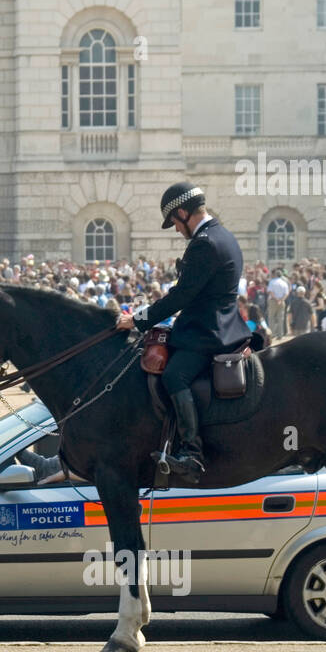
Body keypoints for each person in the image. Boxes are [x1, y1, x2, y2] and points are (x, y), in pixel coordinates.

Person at [115, 182, 249, 482]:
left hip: (208, 332)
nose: (176, 229)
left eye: (174, 222)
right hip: (222, 323)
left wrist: (137, 321)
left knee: (176, 375)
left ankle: (192, 451)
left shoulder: (204, 243)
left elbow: (180, 297)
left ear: (183, 212)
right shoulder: (222, 235)